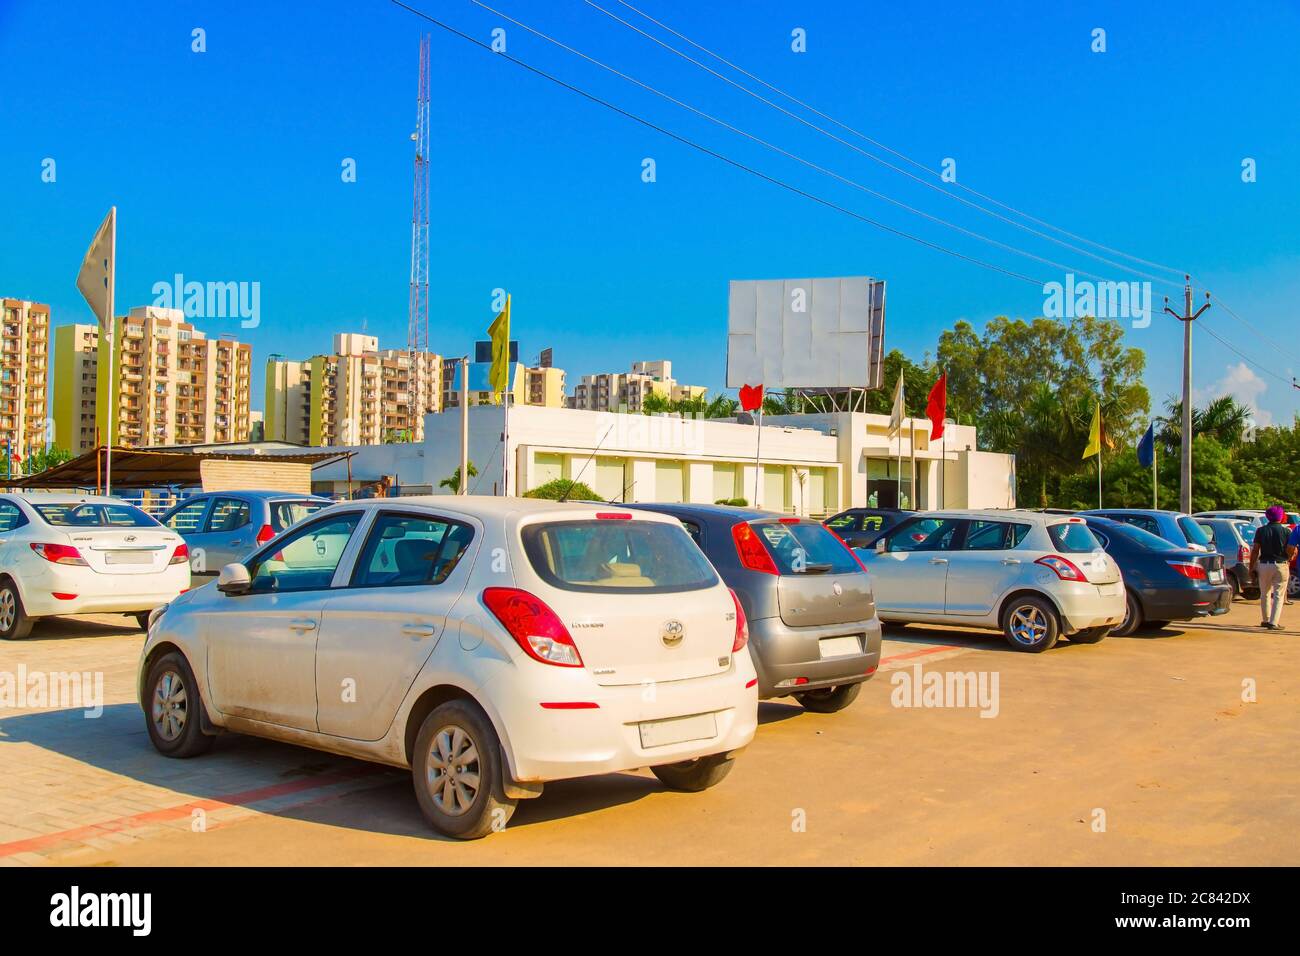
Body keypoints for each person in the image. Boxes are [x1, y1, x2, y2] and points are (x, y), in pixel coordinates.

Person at [1249, 505, 1293, 630]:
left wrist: (1251, 567)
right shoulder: (1286, 531)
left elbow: (1255, 550)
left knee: (1265, 593)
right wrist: (1290, 558)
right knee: (1278, 594)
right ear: (1280, 516)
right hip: (1280, 564)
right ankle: (1274, 622)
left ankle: (1265, 619)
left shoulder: (1261, 530)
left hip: (1264, 564)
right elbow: (1291, 549)